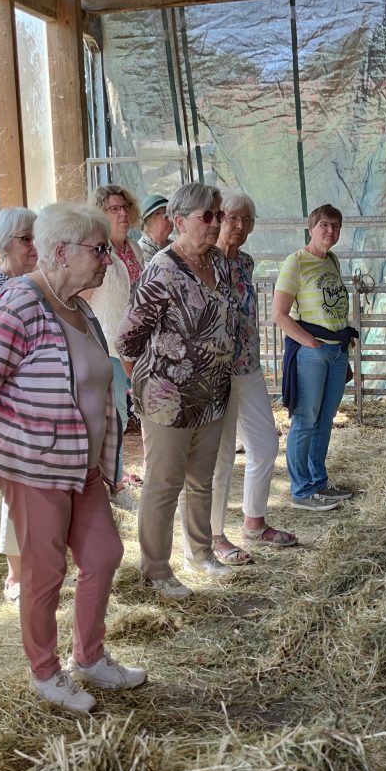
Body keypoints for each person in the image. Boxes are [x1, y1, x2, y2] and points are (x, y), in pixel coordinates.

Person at [0, 202, 143, 714]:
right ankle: (46, 673)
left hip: (81, 465)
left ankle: (90, 658)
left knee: (104, 553)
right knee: (44, 572)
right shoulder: (19, 302)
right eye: (99, 249)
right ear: (62, 252)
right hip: (35, 467)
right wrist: (2, 450)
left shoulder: (79, 307)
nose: (108, 259)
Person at [117, 183, 239, 595]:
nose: (216, 223)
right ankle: (155, 569)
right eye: (208, 216)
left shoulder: (219, 262)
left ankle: (200, 554)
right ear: (179, 220)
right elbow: (128, 337)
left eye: (218, 215)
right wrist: (147, 386)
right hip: (168, 398)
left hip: (212, 393)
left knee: (201, 479)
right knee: (163, 483)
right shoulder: (163, 268)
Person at [198, 191, 297, 566]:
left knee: (266, 445)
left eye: (247, 220)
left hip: (248, 367)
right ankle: (214, 535)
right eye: (233, 218)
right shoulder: (205, 261)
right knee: (221, 458)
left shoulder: (246, 263)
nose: (239, 226)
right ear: (219, 218)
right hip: (217, 371)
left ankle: (254, 522)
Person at [273, 204, 357, 512]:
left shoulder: (331, 260)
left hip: (335, 350)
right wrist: (310, 343)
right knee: (305, 419)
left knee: (325, 419)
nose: (330, 231)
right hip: (313, 351)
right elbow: (279, 314)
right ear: (311, 228)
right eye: (324, 225)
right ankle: (301, 489)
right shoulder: (296, 262)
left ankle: (319, 481)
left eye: (336, 226)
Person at [0, 207, 39, 603]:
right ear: (4, 246)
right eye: (26, 240)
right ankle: (15, 576)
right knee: (15, 487)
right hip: (9, 401)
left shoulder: (33, 282)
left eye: (37, 238)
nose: (34, 247)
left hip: (32, 403)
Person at [85, 184, 151, 487]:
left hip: (138, 346)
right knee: (115, 417)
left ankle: (117, 477)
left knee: (140, 413)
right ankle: (111, 482)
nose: (122, 213)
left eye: (125, 206)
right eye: (113, 209)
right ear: (100, 214)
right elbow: (81, 299)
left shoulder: (134, 248)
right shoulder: (96, 251)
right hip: (107, 346)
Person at [137, 193, 172, 258]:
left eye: (170, 214)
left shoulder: (173, 244)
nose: (170, 218)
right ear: (149, 220)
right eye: (165, 215)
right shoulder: (140, 250)